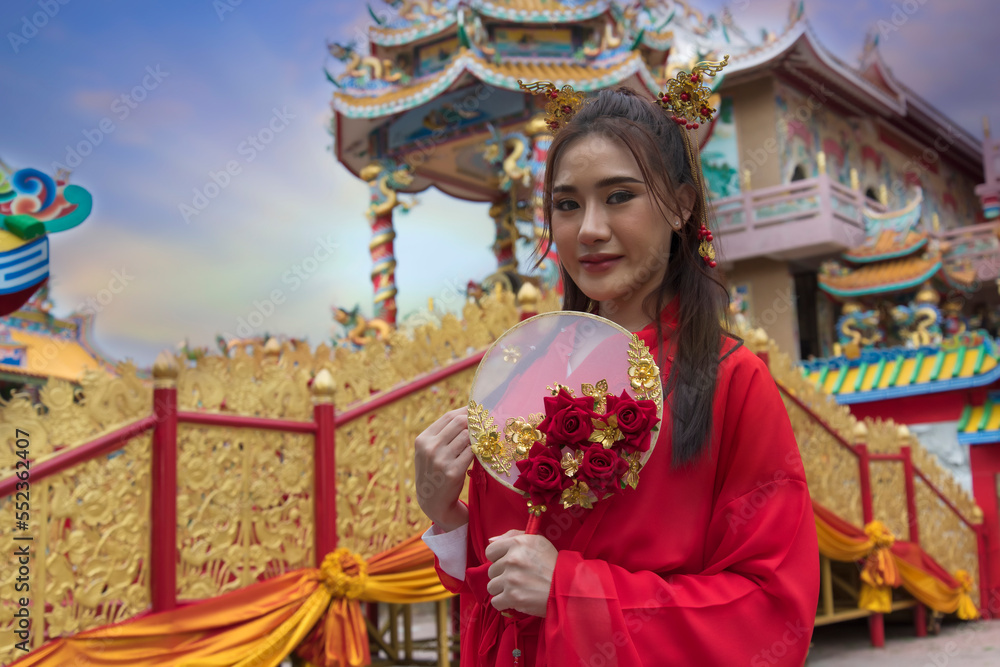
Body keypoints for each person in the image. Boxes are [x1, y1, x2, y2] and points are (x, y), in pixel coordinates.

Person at [414, 82, 819, 666]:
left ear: (681, 205)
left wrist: (569, 590)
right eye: (567, 204)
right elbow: (500, 589)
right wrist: (446, 514)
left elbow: (769, 610)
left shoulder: (732, 382)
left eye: (620, 196)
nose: (589, 230)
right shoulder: (527, 373)